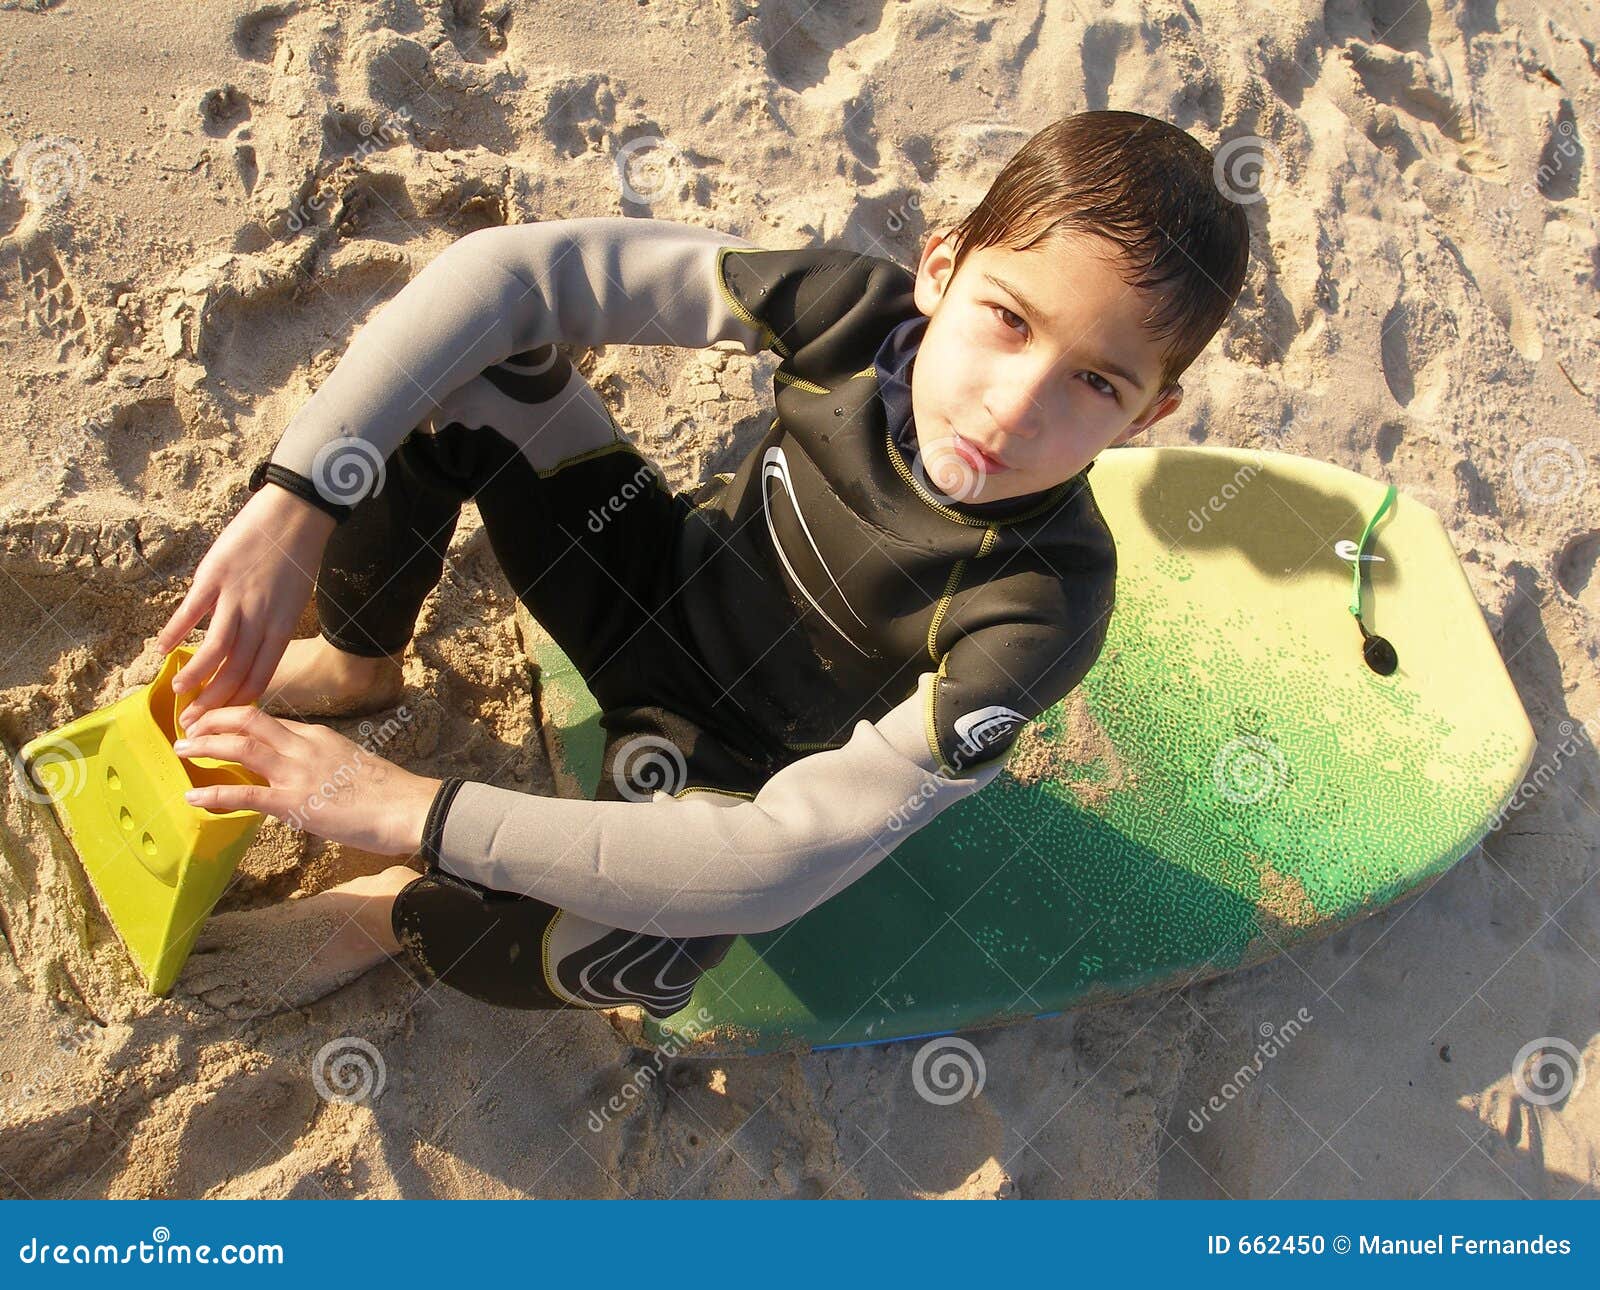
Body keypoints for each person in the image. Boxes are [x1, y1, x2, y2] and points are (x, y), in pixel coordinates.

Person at [160, 110, 1250, 1021]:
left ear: (1148, 415)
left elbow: (779, 863)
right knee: (464, 371)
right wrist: (297, 498)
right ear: (941, 267)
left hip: (738, 764)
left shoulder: (1044, 605)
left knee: (645, 959)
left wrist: (416, 816)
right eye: (1007, 321)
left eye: (1095, 385)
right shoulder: (851, 319)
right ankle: (358, 659)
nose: (1015, 408)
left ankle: (384, 915)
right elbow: (513, 273)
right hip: (650, 582)